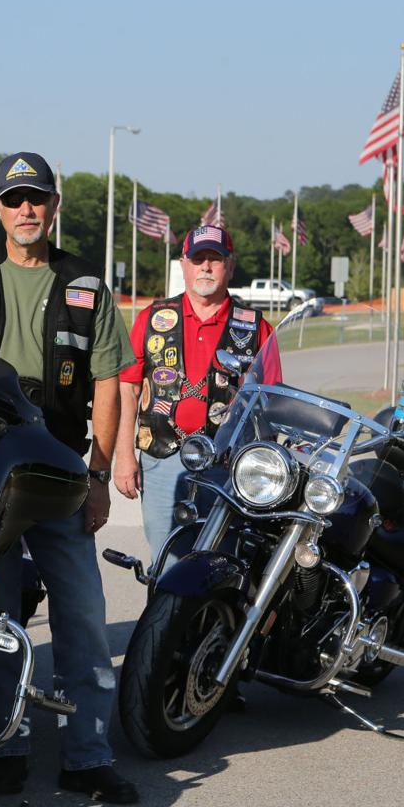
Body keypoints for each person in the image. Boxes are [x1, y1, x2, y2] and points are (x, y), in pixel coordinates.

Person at [0, 151, 139, 804]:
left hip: (60, 470)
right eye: (14, 200)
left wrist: (98, 473)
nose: (26, 210)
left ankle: (88, 755)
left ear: (54, 206)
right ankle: (4, 744)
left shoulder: (85, 286)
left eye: (37, 198)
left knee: (84, 616)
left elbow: (108, 382)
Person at [114, 224, 282, 565]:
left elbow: (273, 403)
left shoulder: (256, 327)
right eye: (198, 258)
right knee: (165, 562)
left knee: (222, 561)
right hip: (162, 459)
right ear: (184, 265)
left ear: (230, 266)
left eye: (215, 259)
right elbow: (128, 390)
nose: (205, 267)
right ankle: (163, 619)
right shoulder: (152, 318)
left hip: (227, 465)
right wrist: (124, 457)